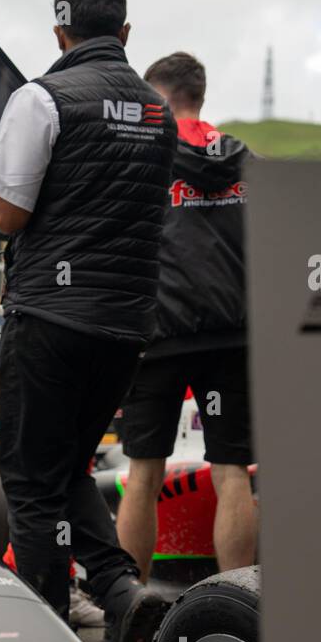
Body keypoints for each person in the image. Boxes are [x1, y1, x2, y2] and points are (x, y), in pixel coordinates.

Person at [0, 0, 176, 642]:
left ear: (58, 34)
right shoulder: (159, 114)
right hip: (126, 326)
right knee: (68, 468)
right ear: (125, 33)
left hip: (48, 318)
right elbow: (96, 205)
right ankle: (119, 589)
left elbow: (11, 215)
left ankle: (44, 636)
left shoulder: (39, 97)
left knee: (29, 485)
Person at [114, 52, 257, 578]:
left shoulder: (142, 156)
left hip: (157, 337)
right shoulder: (246, 160)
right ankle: (239, 602)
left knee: (143, 474)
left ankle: (127, 608)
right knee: (232, 472)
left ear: (158, 98)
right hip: (233, 337)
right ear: (199, 95)